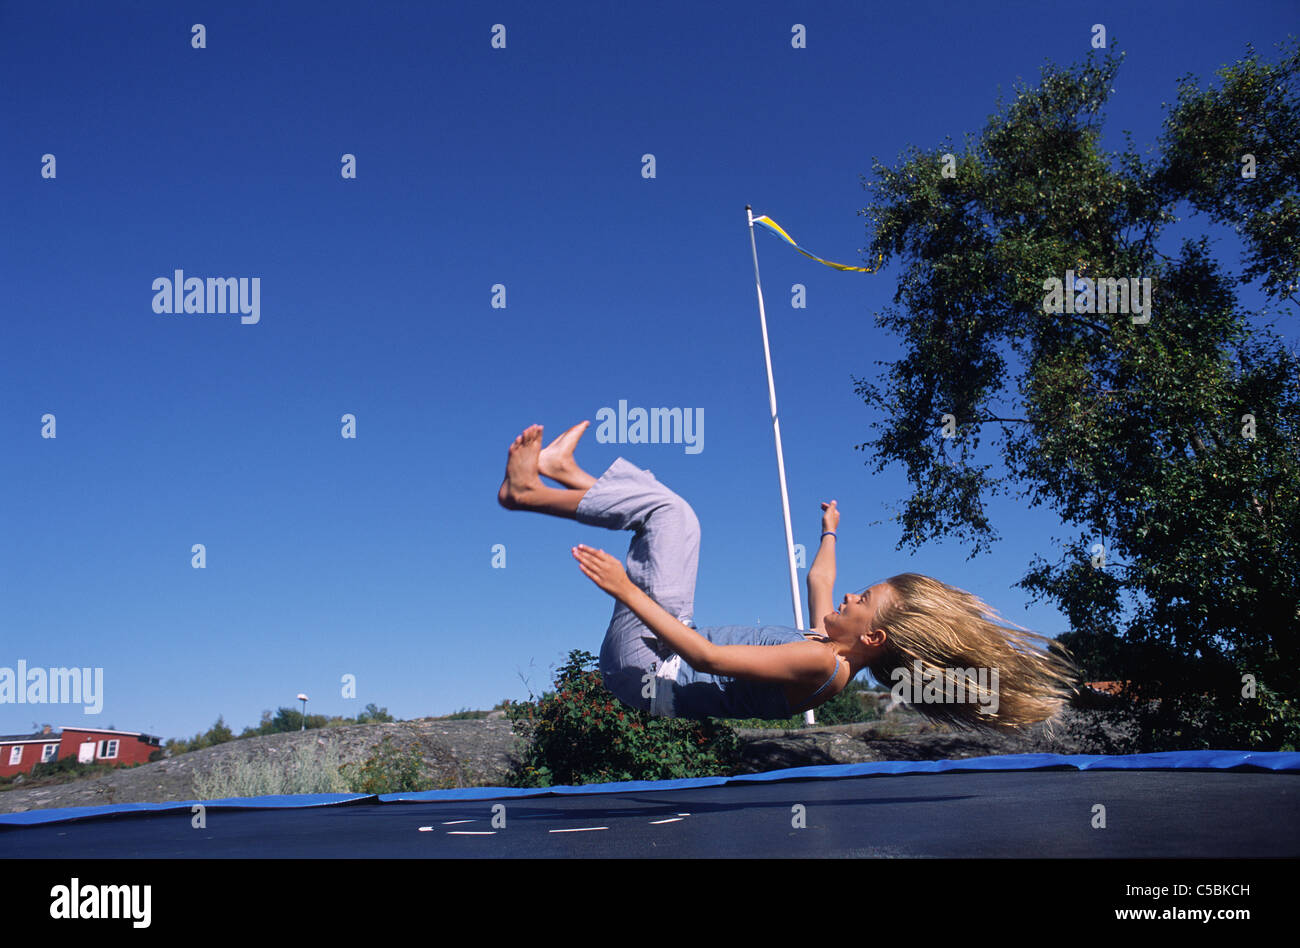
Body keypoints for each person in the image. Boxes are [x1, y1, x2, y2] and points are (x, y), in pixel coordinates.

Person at [498, 422, 1079, 727]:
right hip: (654, 665)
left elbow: (709, 659)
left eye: (863, 599)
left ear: (874, 636)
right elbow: (819, 582)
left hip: (650, 667)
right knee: (667, 519)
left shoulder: (822, 664)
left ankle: (528, 492)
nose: (850, 594)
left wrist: (626, 589)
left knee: (674, 515)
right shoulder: (831, 650)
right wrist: (830, 531)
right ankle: (565, 472)